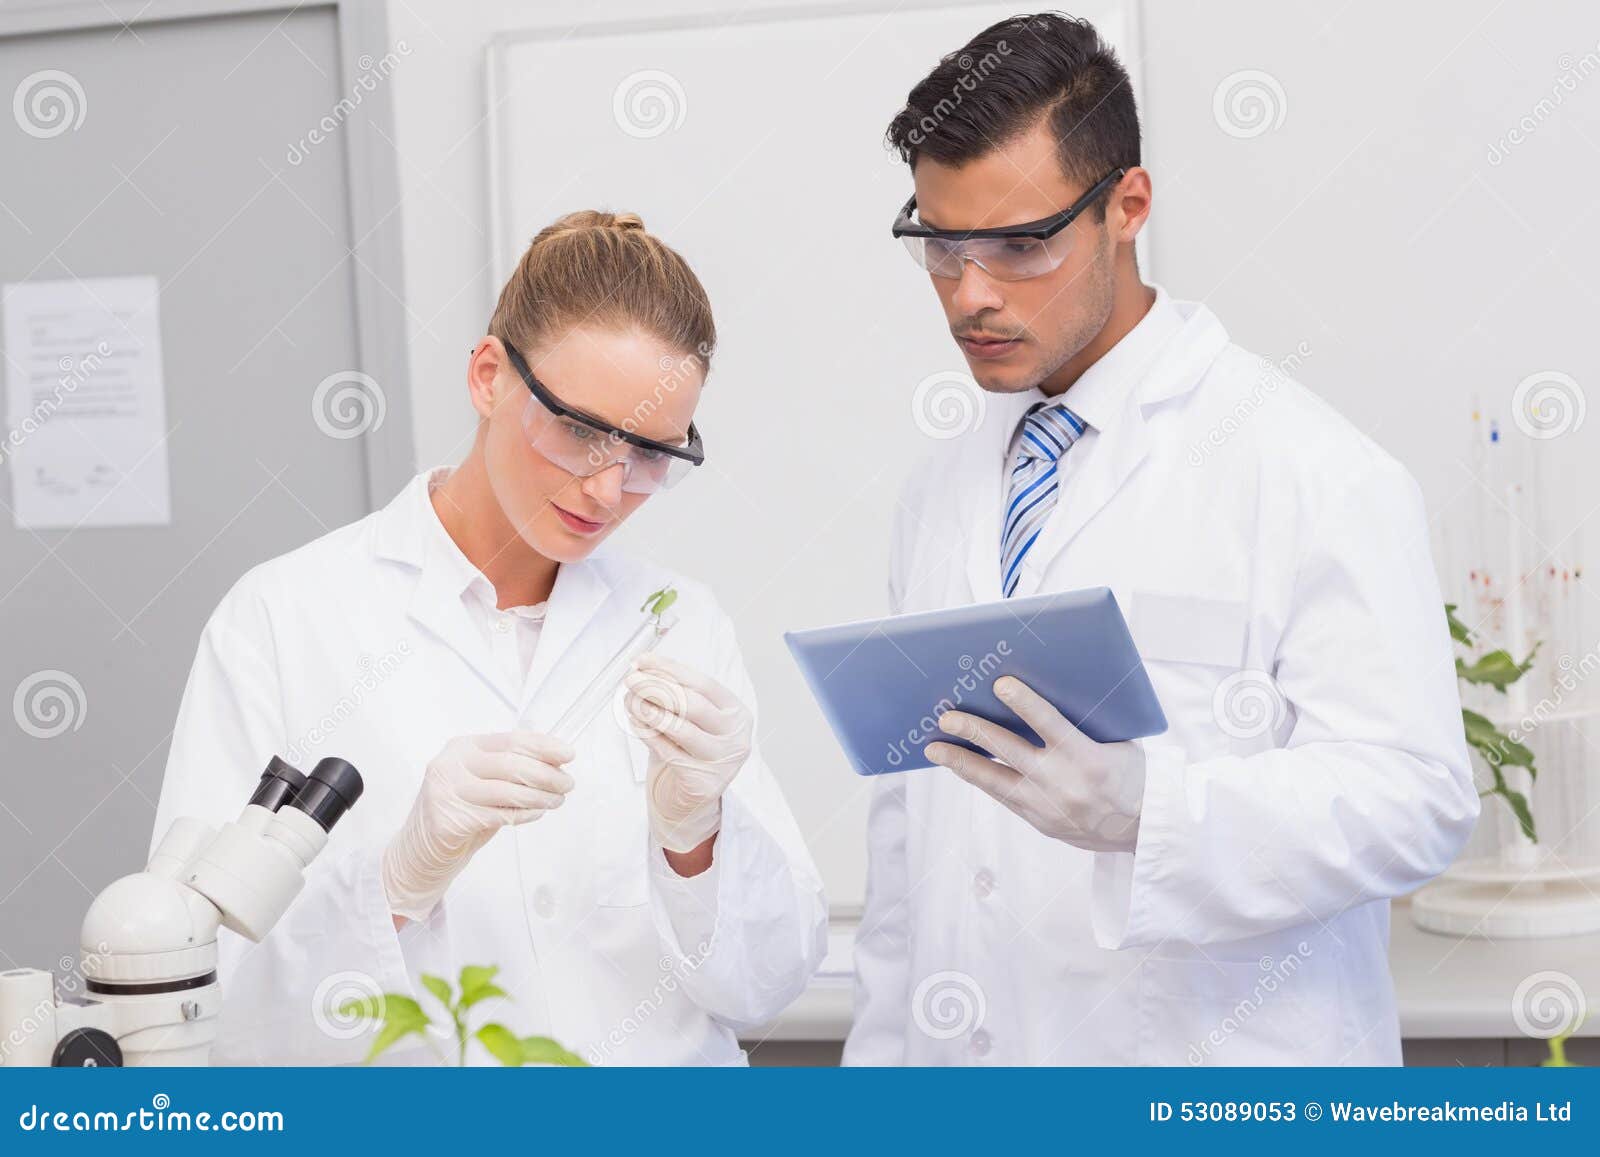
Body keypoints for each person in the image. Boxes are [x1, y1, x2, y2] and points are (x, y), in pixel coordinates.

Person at [844, 14, 1477, 1066]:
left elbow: (1415, 799)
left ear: (1126, 206)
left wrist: (1152, 810)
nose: (972, 293)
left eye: (1018, 243)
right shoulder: (942, 491)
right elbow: (911, 847)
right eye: (941, 246)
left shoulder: (1310, 471)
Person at [152, 209, 826, 1066]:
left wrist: (695, 835)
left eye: (652, 453)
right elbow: (198, 994)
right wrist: (396, 881)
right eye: (582, 431)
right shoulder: (284, 618)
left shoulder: (681, 618)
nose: (609, 488)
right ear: (487, 376)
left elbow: (764, 985)